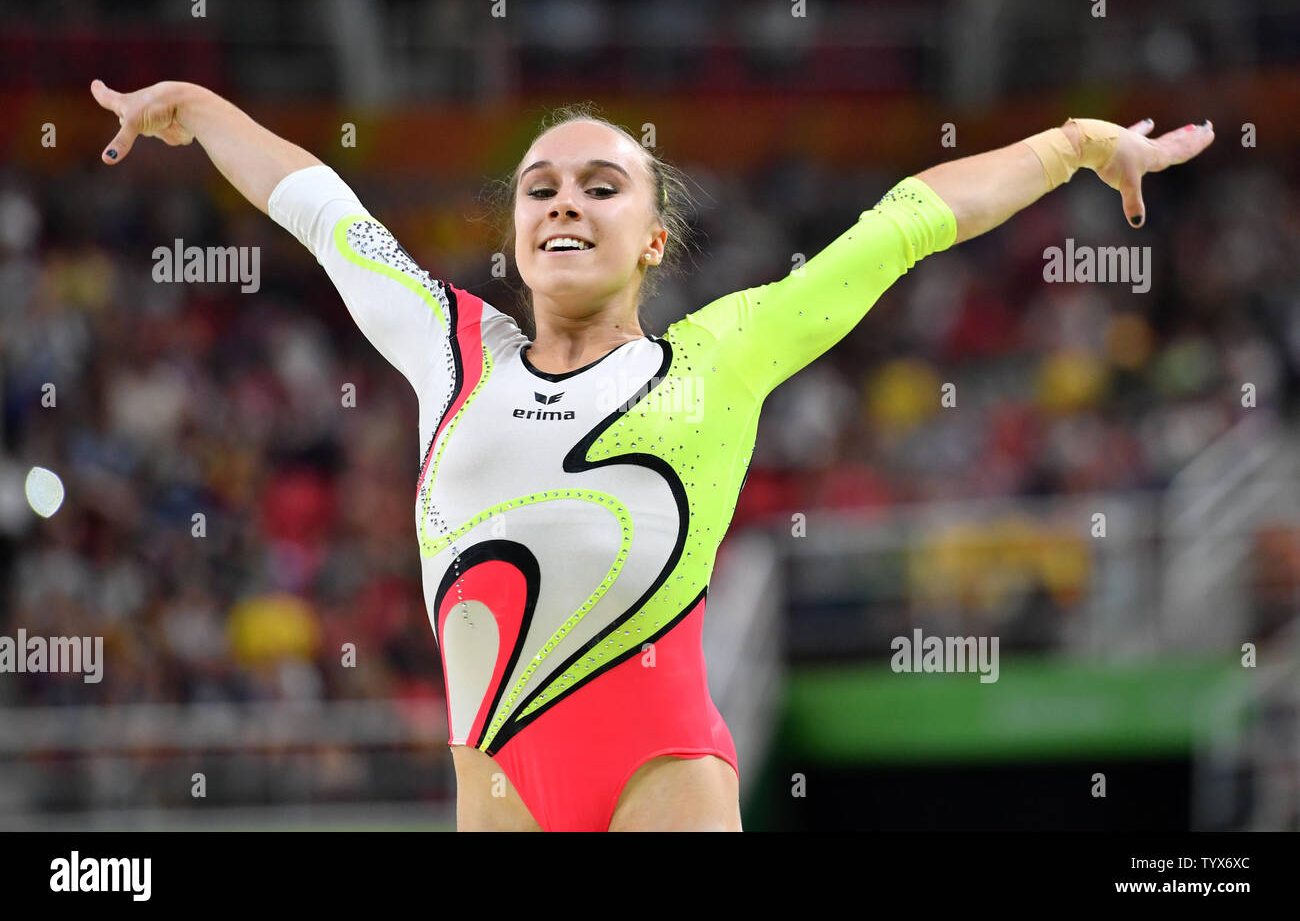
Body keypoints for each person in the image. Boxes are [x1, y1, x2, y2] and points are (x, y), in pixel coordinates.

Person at [91, 78, 1213, 830]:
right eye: (540, 188)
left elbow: (905, 222)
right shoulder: (449, 346)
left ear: (653, 239)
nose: (563, 201)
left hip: (659, 767)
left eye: (599, 185)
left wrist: (1073, 145)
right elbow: (319, 207)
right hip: (495, 785)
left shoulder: (717, 355)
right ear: (515, 236)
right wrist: (190, 105)